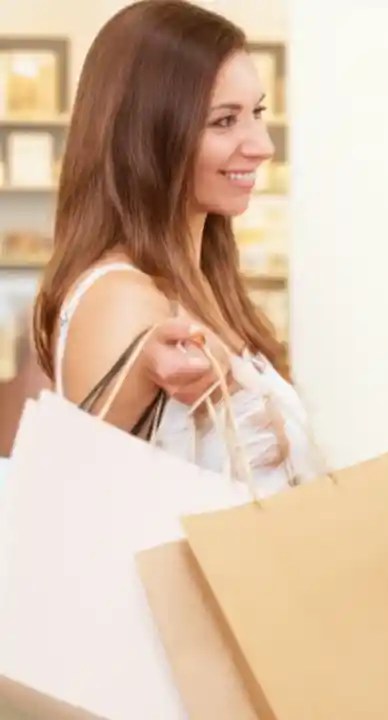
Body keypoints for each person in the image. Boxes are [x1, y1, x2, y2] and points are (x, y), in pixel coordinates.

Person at [31, 0, 317, 490]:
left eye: (257, 112)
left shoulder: (204, 283)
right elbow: (86, 498)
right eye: (225, 121)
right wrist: (140, 369)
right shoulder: (121, 298)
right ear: (149, 136)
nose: (262, 144)